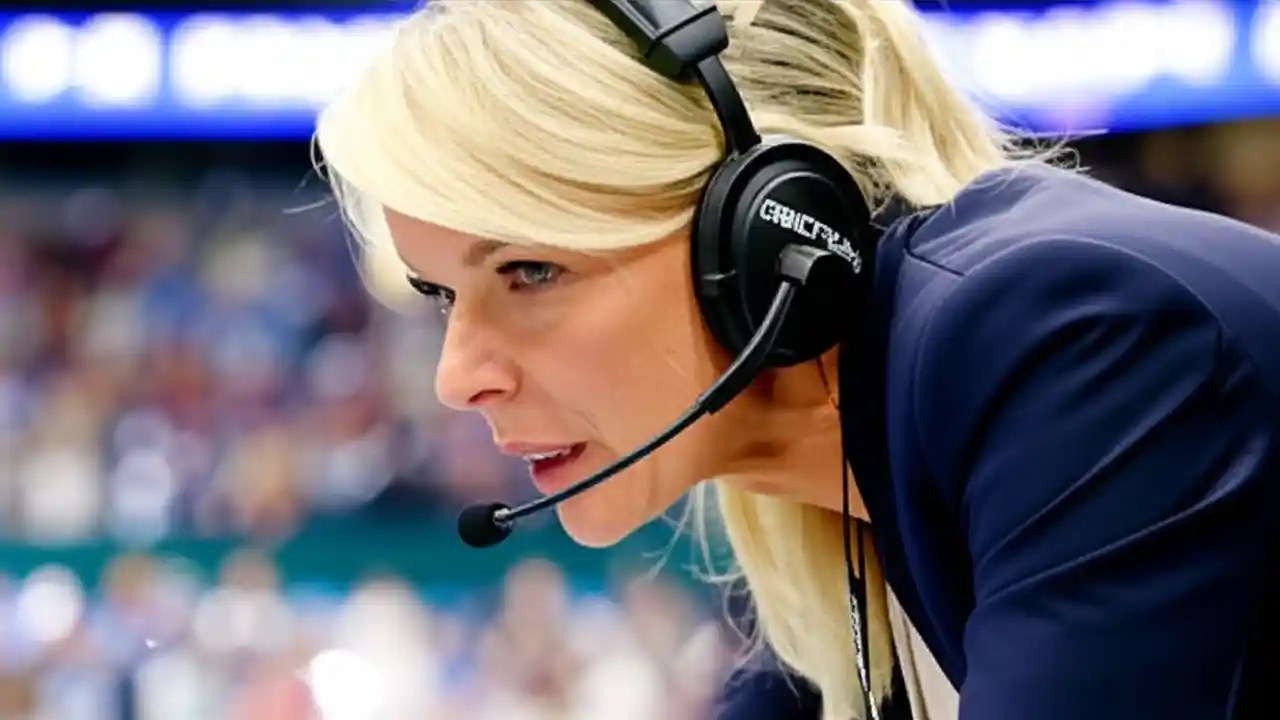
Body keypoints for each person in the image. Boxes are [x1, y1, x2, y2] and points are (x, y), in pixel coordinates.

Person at [313, 1, 1280, 718]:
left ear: (771, 233)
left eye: (530, 269)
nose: (455, 374)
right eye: (444, 295)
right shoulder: (841, 528)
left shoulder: (1070, 341)